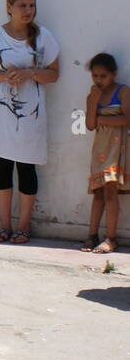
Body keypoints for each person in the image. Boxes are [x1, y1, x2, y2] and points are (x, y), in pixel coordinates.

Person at [0, 0, 60, 244]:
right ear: (9, 8)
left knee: (26, 166)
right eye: (22, 5)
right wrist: (3, 76)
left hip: (29, 115)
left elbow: (54, 74)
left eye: (31, 5)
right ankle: (4, 226)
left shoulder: (43, 36)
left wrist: (30, 73)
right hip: (0, 113)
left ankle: (23, 226)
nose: (28, 10)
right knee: (2, 167)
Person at [81, 53, 128, 253]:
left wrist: (103, 120)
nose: (99, 80)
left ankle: (111, 237)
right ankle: (92, 235)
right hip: (99, 151)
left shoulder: (123, 92)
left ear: (113, 75)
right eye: (95, 76)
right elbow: (90, 125)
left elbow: (126, 120)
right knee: (98, 192)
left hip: (117, 150)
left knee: (111, 192)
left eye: (103, 76)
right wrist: (94, 102)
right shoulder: (93, 96)